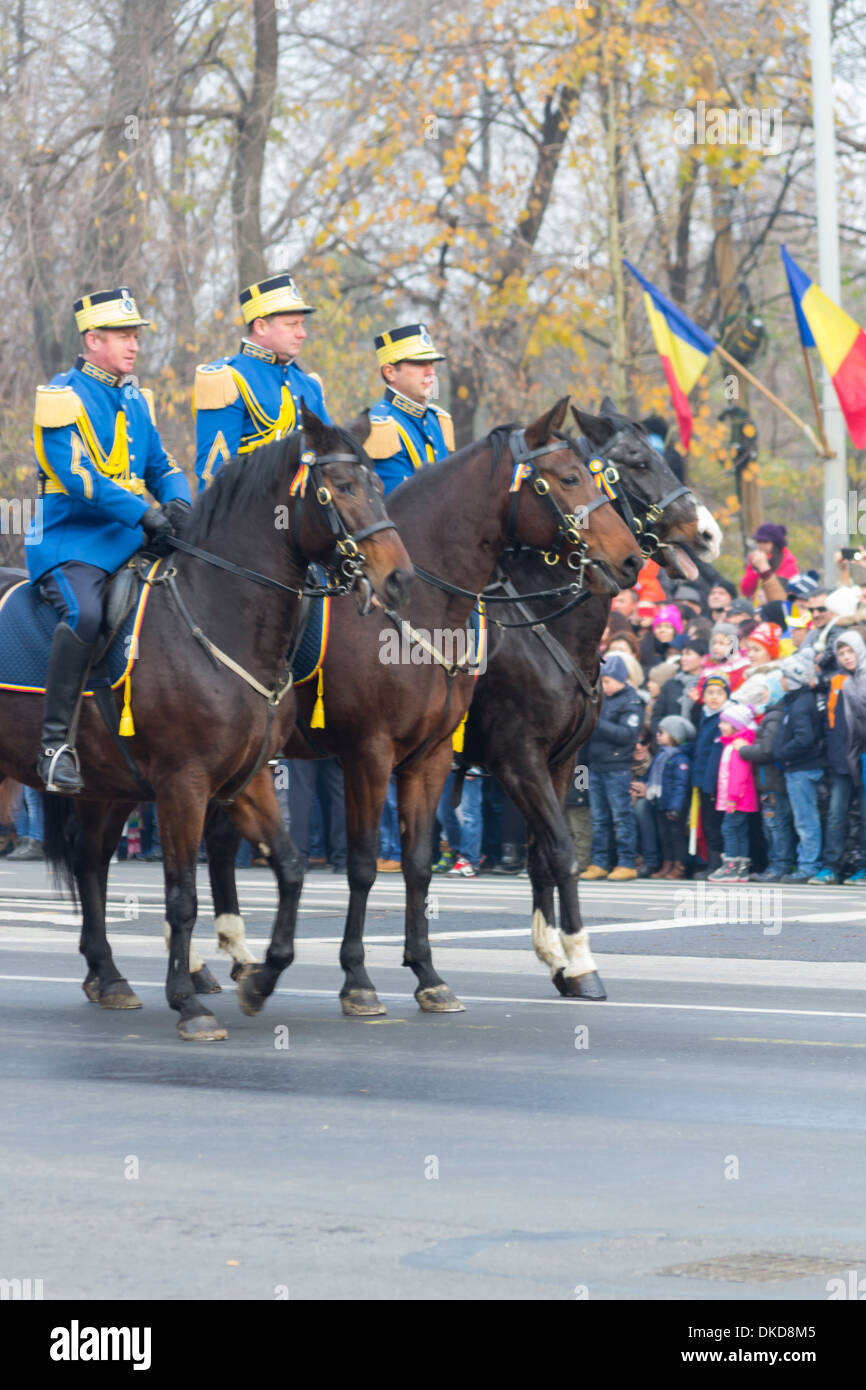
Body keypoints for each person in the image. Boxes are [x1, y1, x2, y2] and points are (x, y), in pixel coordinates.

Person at [30, 287, 191, 792]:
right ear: (92, 339)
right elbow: (81, 480)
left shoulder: (135, 398)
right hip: (70, 539)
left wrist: (179, 500)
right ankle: (55, 745)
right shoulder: (61, 398)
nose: (134, 344)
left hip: (129, 534)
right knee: (87, 614)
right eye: (124, 335)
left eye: (136, 335)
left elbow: (160, 464)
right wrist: (146, 513)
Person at [193, 273, 331, 490]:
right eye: (292, 325)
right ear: (261, 327)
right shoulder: (228, 380)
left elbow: (332, 460)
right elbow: (215, 479)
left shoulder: (310, 385)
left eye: (302, 324)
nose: (302, 333)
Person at [363, 323, 454, 495]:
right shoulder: (381, 426)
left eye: (432, 363)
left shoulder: (438, 419)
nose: (430, 372)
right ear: (390, 372)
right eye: (419, 363)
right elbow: (399, 506)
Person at [580, 654, 644, 881]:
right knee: (598, 818)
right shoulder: (601, 698)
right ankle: (600, 862)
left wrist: (597, 722)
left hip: (617, 768)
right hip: (596, 766)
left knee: (621, 817)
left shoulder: (632, 701)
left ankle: (626, 862)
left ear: (619, 679)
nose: (603, 685)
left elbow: (627, 735)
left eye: (607, 681)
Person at [810, 632, 866, 884]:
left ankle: (862, 867)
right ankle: (830, 866)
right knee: (836, 815)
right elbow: (833, 724)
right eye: (842, 653)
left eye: (850, 651)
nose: (846, 657)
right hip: (842, 758)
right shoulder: (838, 681)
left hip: (862, 758)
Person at [737, 671, 796, 882]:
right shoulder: (774, 714)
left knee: (775, 824)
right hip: (768, 780)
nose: (763, 694)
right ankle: (777, 864)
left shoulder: (774, 717)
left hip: (771, 780)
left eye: (767, 689)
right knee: (772, 824)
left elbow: (767, 750)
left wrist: (744, 750)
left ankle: (778, 866)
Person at [773, 651, 823, 883]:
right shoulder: (798, 701)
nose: (781, 680)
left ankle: (809, 865)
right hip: (799, 769)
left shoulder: (801, 704)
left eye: (783, 675)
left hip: (802, 769)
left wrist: (782, 754)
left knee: (805, 819)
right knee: (803, 818)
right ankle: (806, 862)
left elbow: (804, 738)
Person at [709, 701, 758, 882]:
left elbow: (739, 775)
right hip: (741, 799)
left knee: (729, 829)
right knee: (740, 830)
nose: (720, 726)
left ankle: (730, 866)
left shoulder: (736, 747)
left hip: (737, 799)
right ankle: (741, 868)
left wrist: (731, 798)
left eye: (724, 723)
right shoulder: (733, 745)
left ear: (735, 725)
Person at [645, 715, 695, 879]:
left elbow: (680, 785)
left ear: (675, 737)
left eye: (663, 733)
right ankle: (667, 863)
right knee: (664, 836)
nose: (658, 735)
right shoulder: (661, 755)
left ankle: (678, 865)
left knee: (676, 836)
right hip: (660, 802)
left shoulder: (680, 759)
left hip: (673, 806)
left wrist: (675, 807)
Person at [690, 673, 729, 878]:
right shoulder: (704, 716)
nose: (714, 697)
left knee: (715, 825)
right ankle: (710, 863)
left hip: (715, 783)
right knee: (707, 824)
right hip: (703, 780)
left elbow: (715, 757)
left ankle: (716, 865)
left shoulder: (724, 719)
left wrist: (711, 785)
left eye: (720, 693)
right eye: (710, 692)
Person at [740, 523, 798, 600]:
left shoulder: (787, 560)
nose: (761, 545)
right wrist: (755, 569)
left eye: (765, 542)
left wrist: (765, 569)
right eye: (759, 541)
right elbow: (746, 590)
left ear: (775, 543)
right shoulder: (755, 559)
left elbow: (782, 590)